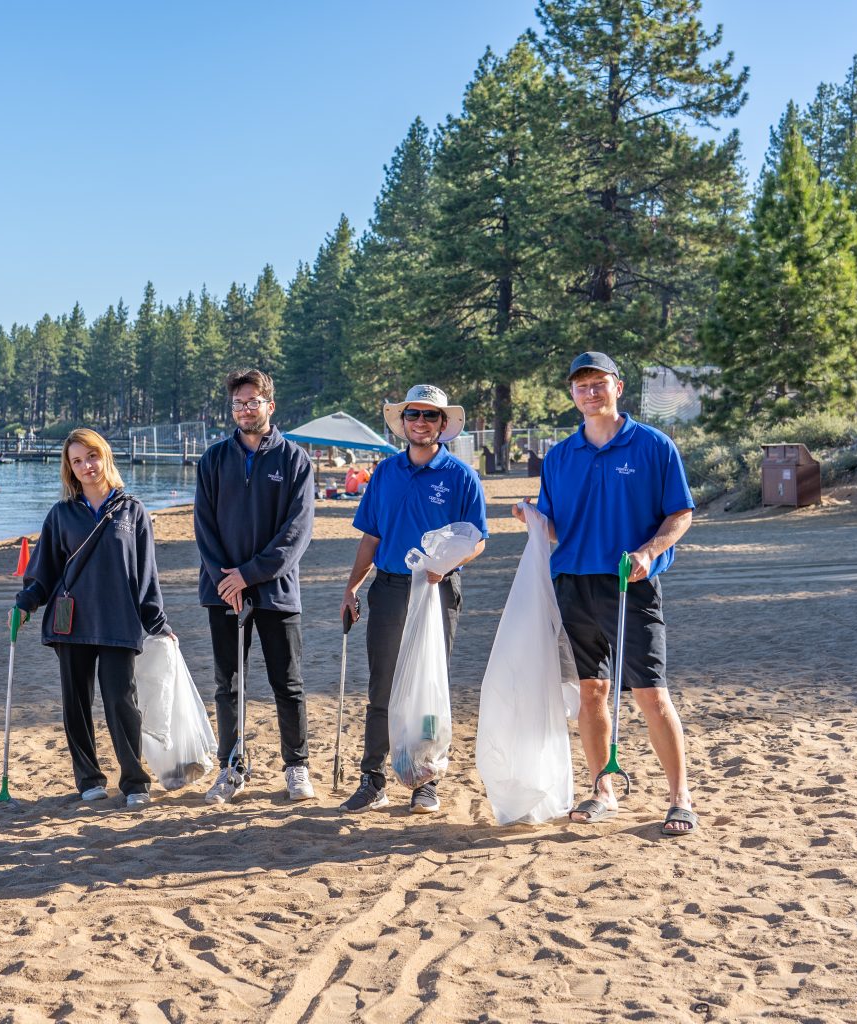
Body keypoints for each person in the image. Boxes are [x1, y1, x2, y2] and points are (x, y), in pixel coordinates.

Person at [515, 351, 698, 836]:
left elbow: (680, 513)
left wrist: (649, 551)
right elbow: (558, 528)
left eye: (599, 383)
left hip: (630, 583)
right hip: (573, 585)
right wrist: (533, 520)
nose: (591, 393)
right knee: (591, 693)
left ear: (618, 387)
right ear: (572, 394)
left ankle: (680, 797)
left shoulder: (654, 446)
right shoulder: (560, 456)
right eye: (582, 386)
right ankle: (603, 790)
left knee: (650, 693)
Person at [339, 384, 488, 815]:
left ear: (443, 424)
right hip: (389, 589)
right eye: (413, 415)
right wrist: (351, 587)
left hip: (438, 589)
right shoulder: (385, 473)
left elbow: (477, 540)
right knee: (381, 685)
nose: (421, 422)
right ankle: (373, 779)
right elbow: (371, 537)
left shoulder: (461, 476)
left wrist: (448, 562)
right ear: (403, 422)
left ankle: (426, 780)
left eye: (430, 415)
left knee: (428, 684)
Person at [15, 428, 171, 808]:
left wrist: (158, 623)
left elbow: (146, 575)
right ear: (69, 469)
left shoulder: (133, 510)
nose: (87, 466)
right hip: (72, 621)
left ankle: (134, 782)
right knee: (76, 702)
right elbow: (44, 571)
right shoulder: (61, 514)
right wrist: (25, 604)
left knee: (121, 701)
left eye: (92, 456)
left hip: (119, 620)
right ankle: (88, 779)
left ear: (105, 456)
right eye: (77, 461)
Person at [194, 368, 317, 804]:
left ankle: (296, 767)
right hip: (223, 592)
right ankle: (232, 767)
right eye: (238, 403)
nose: (245, 410)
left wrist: (249, 574)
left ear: (270, 405)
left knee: (288, 683)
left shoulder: (295, 460)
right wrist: (227, 579)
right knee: (228, 685)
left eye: (253, 402)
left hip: (277, 592)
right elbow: (204, 527)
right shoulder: (213, 459)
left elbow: (296, 533)